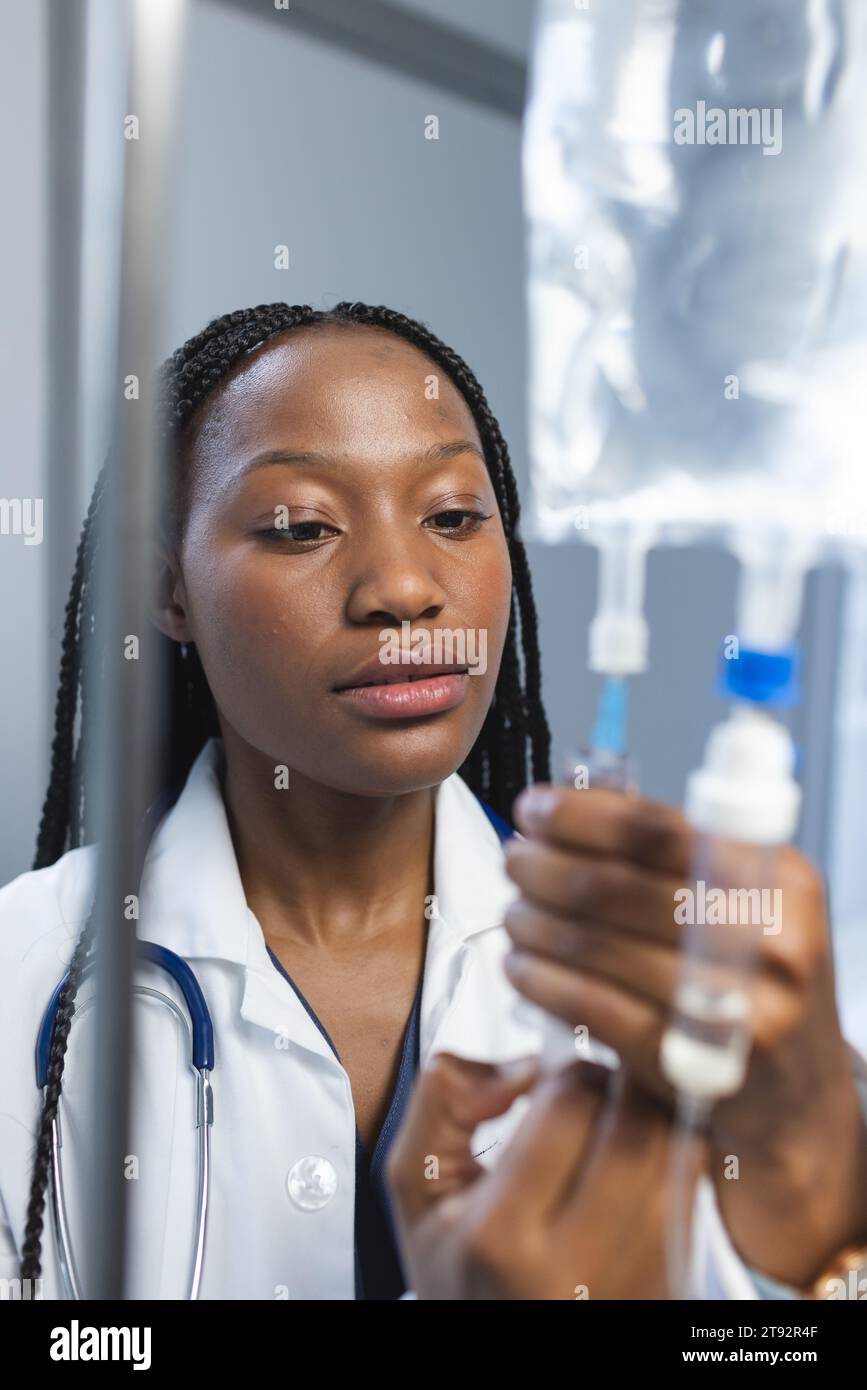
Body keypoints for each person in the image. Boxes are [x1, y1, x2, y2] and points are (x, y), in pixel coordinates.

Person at [0, 301, 862, 1299]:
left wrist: (819, 1205)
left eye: (453, 516)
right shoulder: (23, 981)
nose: (404, 587)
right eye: (302, 526)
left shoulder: (688, 990)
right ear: (171, 592)